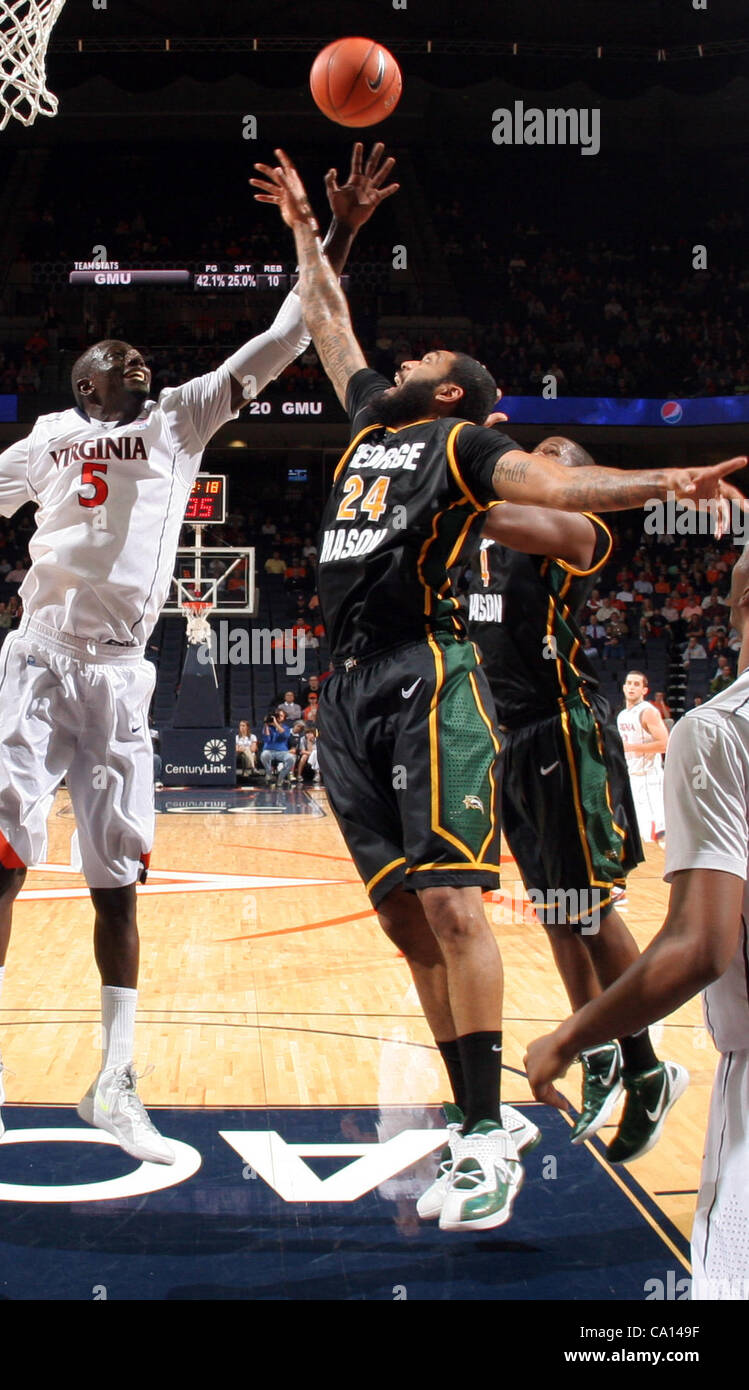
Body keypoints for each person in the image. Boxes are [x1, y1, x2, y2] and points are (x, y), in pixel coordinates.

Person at [0, 142, 397, 1165]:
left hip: (118, 678)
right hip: (38, 660)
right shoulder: (45, 440)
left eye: (145, 361)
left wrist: (340, 232)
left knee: (118, 886)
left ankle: (115, 1083)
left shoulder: (183, 420)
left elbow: (290, 331)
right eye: (123, 362)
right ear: (83, 382)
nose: (142, 365)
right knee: (1, 865)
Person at [253, 145, 743, 1230]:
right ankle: (532, 1091)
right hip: (349, 688)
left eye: (426, 352)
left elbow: (560, 489)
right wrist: (311, 227)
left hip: (443, 682)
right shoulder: (375, 420)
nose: (409, 350)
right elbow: (327, 322)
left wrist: (668, 475)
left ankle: (523, 1109)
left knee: (498, 903)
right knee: (412, 926)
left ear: (450, 392)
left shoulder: (467, 448)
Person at [526, 539, 749, 1301]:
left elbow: (699, 947)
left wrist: (567, 1033)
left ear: (736, 607)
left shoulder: (717, 728)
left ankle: (639, 1064)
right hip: (546, 747)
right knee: (562, 908)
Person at [463, 436, 682, 1162]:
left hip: (563, 731)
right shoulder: (489, 541)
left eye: (556, 458)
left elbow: (489, 515)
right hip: (511, 738)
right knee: (557, 917)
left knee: (587, 909)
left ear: (578, 479)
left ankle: (647, 1066)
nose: (538, 461)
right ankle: (595, 1050)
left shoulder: (576, 530)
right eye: (533, 454)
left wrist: (436, 479)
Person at [617, 671, 670, 844]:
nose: (632, 687)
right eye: (629, 683)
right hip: (632, 777)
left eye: (636, 684)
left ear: (644, 690)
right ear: (624, 687)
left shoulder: (648, 712)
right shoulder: (622, 715)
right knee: (642, 836)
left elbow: (665, 744)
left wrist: (632, 748)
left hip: (649, 778)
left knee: (659, 835)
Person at [260, 711, 294, 786]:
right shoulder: (267, 727)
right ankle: (269, 773)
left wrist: (276, 724)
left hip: (282, 751)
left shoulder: (285, 727)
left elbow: (284, 735)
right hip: (269, 750)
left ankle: (281, 778)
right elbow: (267, 740)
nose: (278, 718)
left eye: (281, 716)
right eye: (278, 716)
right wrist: (266, 725)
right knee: (264, 755)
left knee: (291, 758)